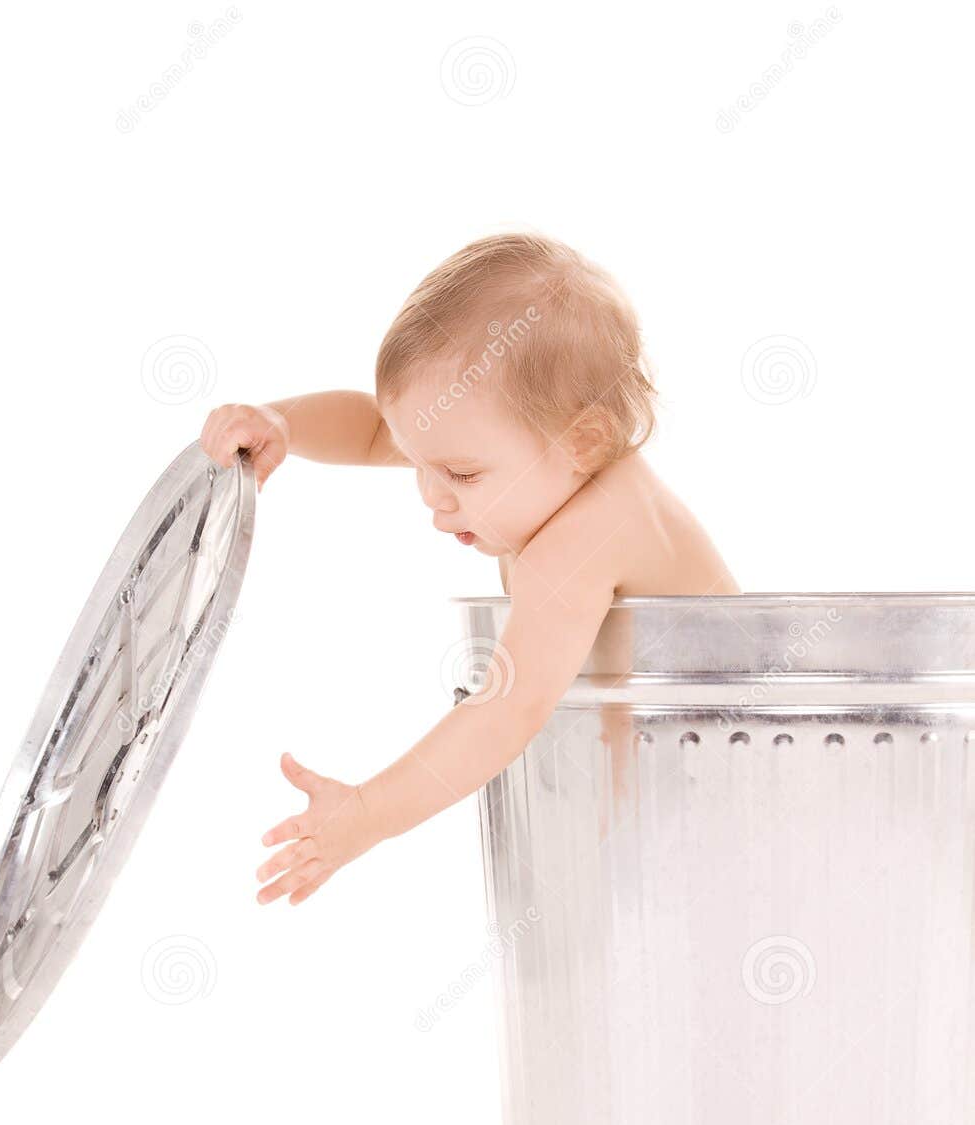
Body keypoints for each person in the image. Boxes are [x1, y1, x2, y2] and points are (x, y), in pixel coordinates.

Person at [200, 231, 741, 906]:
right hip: (653, 795)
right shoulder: (545, 457)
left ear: (586, 439)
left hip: (734, 795)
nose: (431, 492)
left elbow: (506, 712)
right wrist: (284, 422)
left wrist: (366, 815)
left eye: (460, 473)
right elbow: (373, 431)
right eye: (420, 464)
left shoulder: (587, 537)